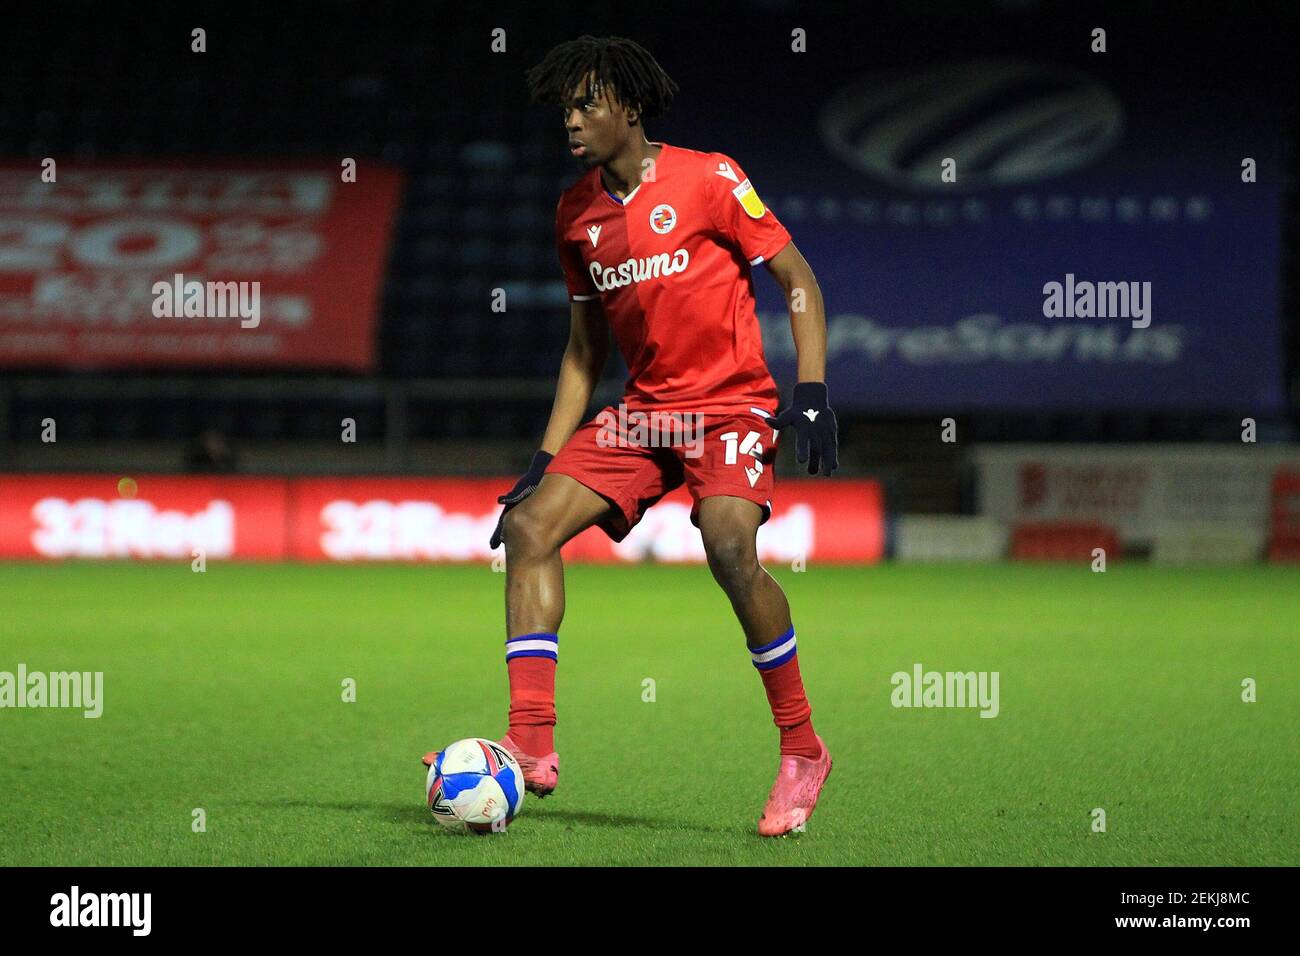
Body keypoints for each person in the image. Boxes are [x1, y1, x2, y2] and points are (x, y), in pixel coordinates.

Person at [427, 35, 838, 836]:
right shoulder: (575, 214)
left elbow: (799, 281)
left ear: (629, 107)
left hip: (728, 407)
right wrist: (543, 461)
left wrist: (812, 392)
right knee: (528, 528)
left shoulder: (710, 177)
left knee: (728, 546)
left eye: (586, 104)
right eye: (566, 108)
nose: (571, 120)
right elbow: (584, 352)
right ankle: (530, 744)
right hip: (646, 415)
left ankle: (802, 747)